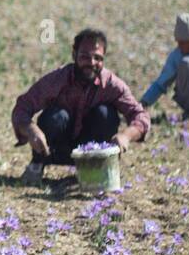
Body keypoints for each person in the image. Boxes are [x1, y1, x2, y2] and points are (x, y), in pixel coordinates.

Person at [13, 28, 150, 184]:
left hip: (93, 154)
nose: (91, 63)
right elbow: (22, 106)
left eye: (97, 58)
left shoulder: (112, 85)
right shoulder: (57, 80)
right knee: (57, 116)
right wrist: (31, 130)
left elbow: (141, 116)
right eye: (85, 56)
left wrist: (126, 136)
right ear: (74, 55)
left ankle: (94, 171)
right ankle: (36, 165)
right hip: (54, 150)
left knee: (105, 114)